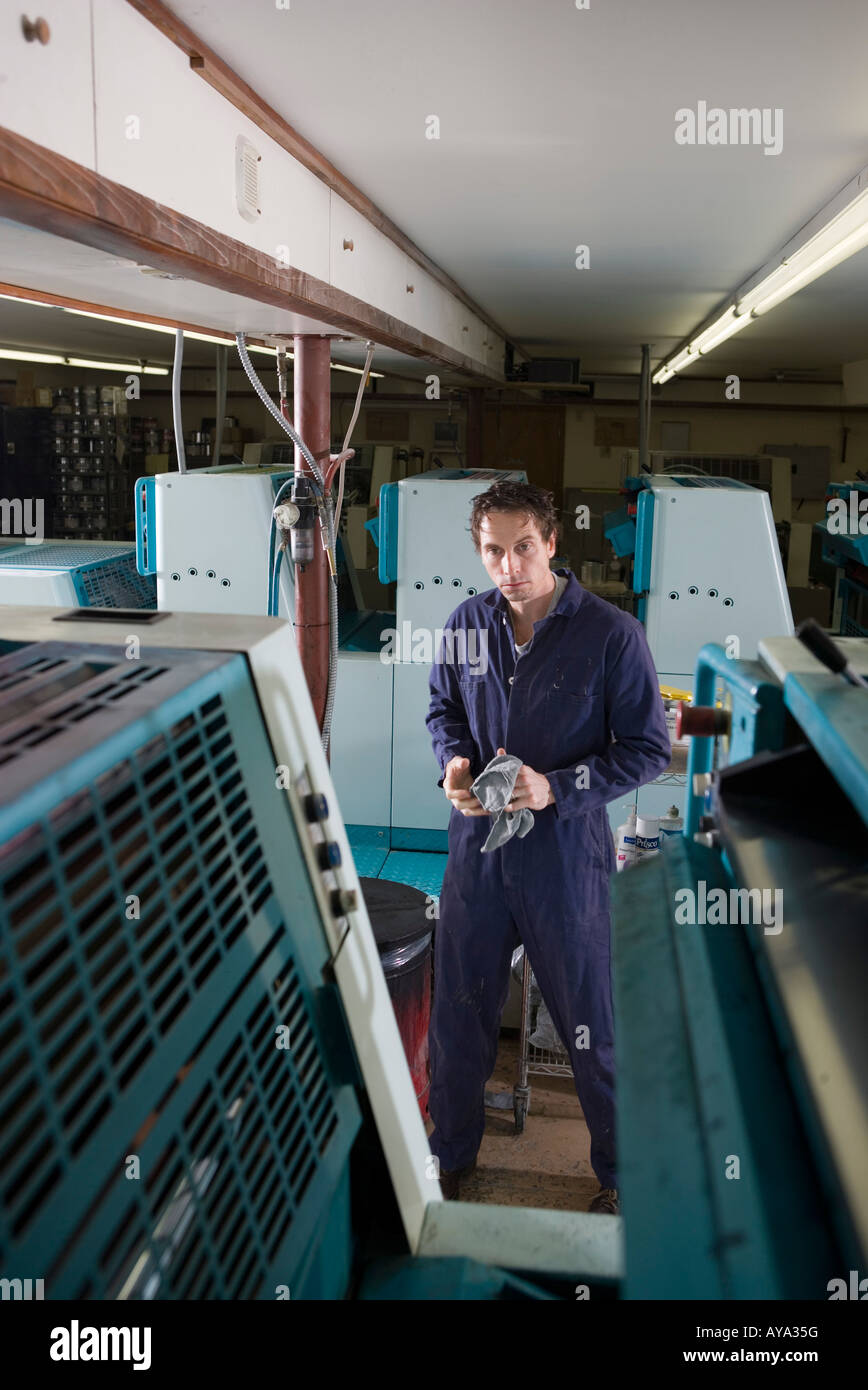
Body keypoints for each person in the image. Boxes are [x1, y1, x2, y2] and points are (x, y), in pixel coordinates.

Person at [425, 479, 671, 1211]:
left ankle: (622, 1180)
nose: (509, 567)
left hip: (565, 857)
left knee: (590, 1023)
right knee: (460, 1017)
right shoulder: (467, 623)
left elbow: (648, 750)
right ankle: (450, 1158)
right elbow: (443, 712)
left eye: (523, 547)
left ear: (552, 543)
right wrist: (454, 765)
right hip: (478, 852)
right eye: (493, 551)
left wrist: (557, 786)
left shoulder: (611, 635)